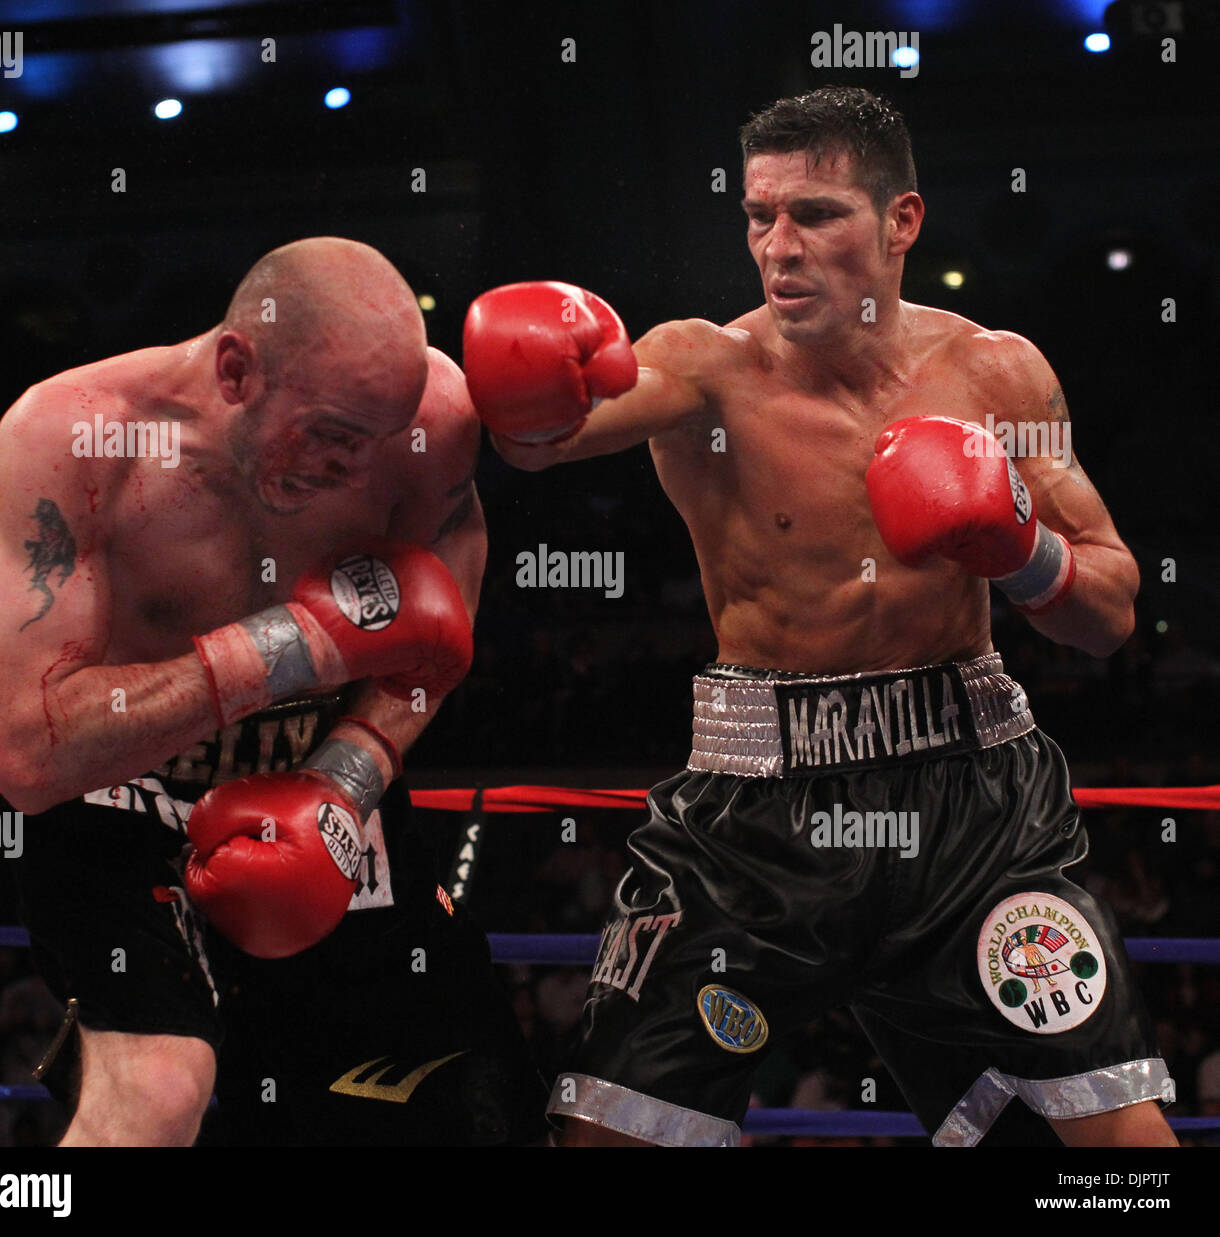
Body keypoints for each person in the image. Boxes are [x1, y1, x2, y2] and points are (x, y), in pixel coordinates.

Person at [463, 87, 1176, 1147]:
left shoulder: (993, 371)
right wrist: (522, 388)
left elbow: (1110, 612)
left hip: (972, 808)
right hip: (753, 822)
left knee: (1117, 1155)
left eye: (816, 214)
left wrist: (1017, 548)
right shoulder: (706, 366)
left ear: (901, 222)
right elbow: (536, 438)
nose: (778, 247)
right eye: (759, 217)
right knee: (609, 1135)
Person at [0, 236, 545, 1146]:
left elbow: (448, 578)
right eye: (329, 433)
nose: (354, 472)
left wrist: (351, 773)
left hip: (321, 777)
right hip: (124, 797)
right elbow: (26, 755)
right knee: (155, 1097)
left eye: (376, 441)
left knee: (472, 1105)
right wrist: (292, 645)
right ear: (236, 369)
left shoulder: (431, 415)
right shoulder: (77, 436)